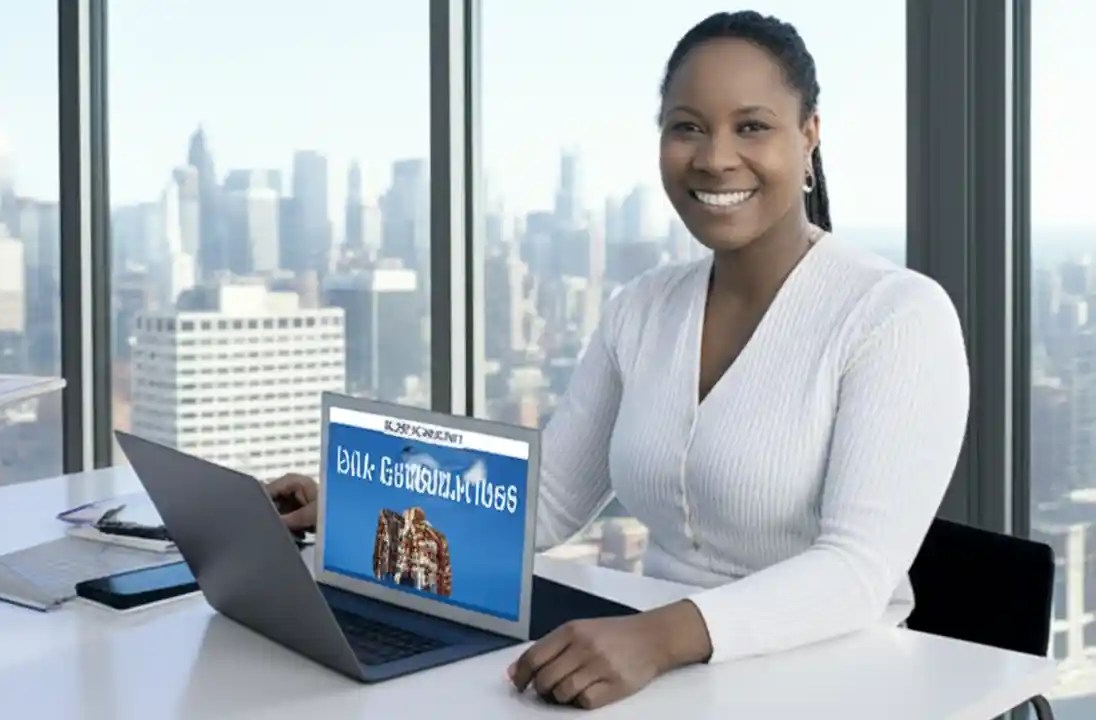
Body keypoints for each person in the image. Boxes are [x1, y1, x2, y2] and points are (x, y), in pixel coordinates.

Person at [266, 9, 969, 711]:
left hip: (835, 687)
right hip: (666, 684)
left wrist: (658, 638)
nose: (715, 156)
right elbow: (546, 505)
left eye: (751, 125)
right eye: (687, 126)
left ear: (809, 135)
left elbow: (855, 572)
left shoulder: (896, 315)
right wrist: (356, 515)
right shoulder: (642, 308)